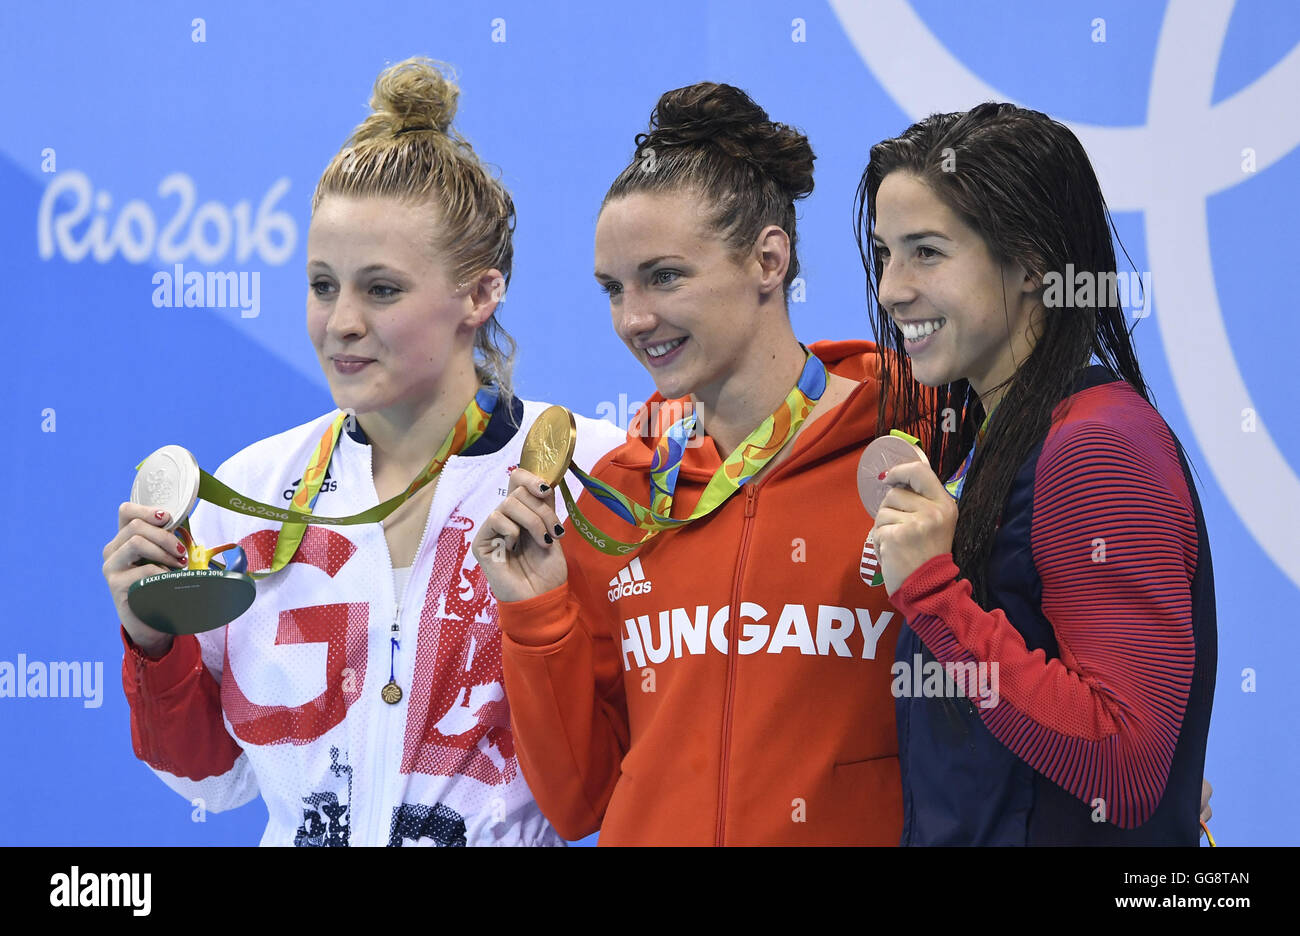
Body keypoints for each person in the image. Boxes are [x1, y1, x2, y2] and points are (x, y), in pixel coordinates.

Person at [100, 57, 624, 847]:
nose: (339, 321)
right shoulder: (253, 488)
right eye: (321, 285)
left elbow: (616, 770)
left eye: (381, 289)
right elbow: (213, 779)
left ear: (480, 296)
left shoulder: (593, 476)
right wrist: (153, 638)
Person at [472, 82, 905, 845]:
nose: (633, 319)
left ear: (769, 259)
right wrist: (536, 614)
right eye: (614, 289)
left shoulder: (910, 453)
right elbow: (580, 803)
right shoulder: (618, 500)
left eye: (664, 276)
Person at [857, 103, 1217, 844]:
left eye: (926, 251)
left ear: (1030, 265)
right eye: (885, 250)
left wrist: (934, 595)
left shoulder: (1098, 450)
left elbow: (1123, 766)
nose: (891, 288)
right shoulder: (994, 440)